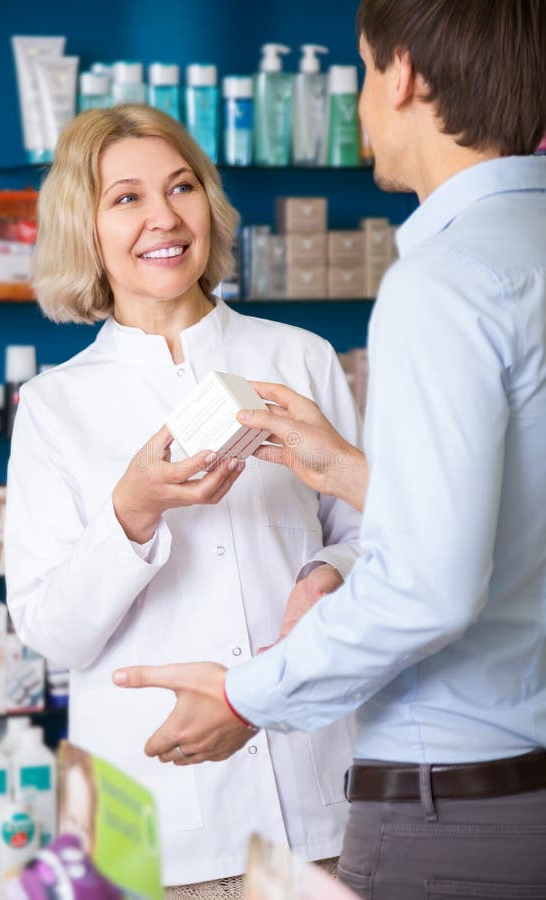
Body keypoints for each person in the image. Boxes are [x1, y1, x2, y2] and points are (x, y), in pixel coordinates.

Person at [112, 1, 546, 896]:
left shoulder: (443, 282)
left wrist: (246, 694)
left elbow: (430, 583)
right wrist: (347, 470)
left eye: (357, 73)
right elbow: (512, 512)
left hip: (455, 801)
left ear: (403, 76)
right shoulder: (523, 251)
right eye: (125, 197)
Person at [4, 103, 365, 896]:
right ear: (85, 229)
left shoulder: (297, 358)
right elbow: (49, 634)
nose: (164, 217)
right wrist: (131, 513)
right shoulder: (55, 405)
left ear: (210, 201)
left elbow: (374, 537)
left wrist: (327, 574)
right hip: (155, 833)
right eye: (125, 197)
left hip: (321, 811)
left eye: (181, 187)